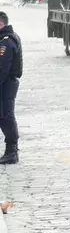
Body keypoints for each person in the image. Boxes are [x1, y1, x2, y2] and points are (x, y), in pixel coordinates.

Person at [0, 12, 22, 164]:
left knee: (6, 116)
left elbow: (3, 68)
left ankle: (11, 152)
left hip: (6, 83)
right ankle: (10, 151)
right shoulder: (6, 38)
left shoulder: (6, 42)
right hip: (5, 82)